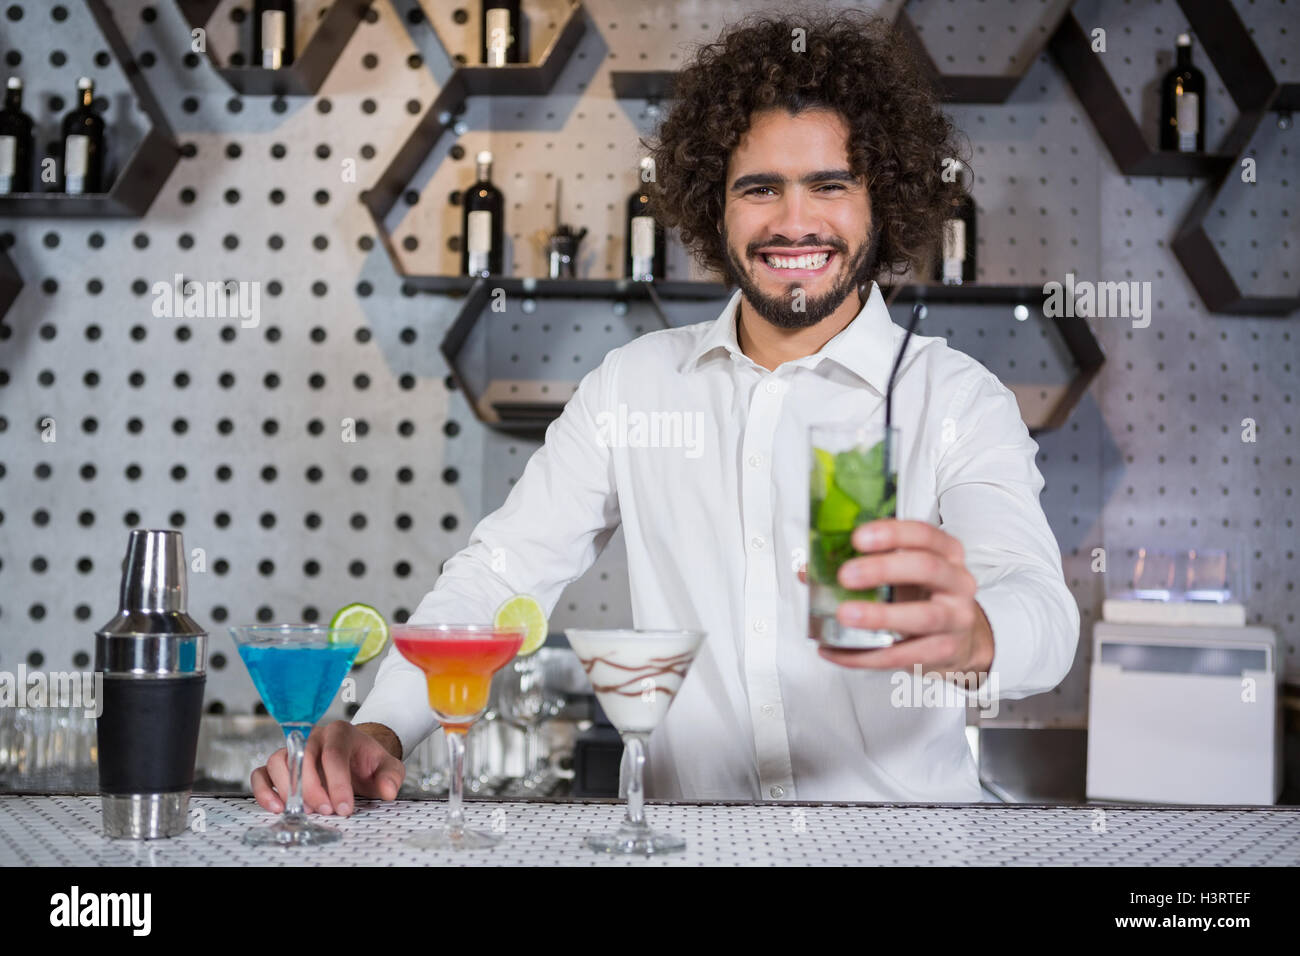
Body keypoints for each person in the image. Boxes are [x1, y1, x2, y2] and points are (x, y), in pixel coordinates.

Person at [251, 11, 1080, 817]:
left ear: (883, 199)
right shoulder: (633, 387)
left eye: (831, 185)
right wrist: (385, 726)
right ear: (712, 205)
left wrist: (974, 633)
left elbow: (1041, 609)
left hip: (904, 852)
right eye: (760, 188)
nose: (794, 222)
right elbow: (500, 575)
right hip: (688, 847)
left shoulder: (955, 398)